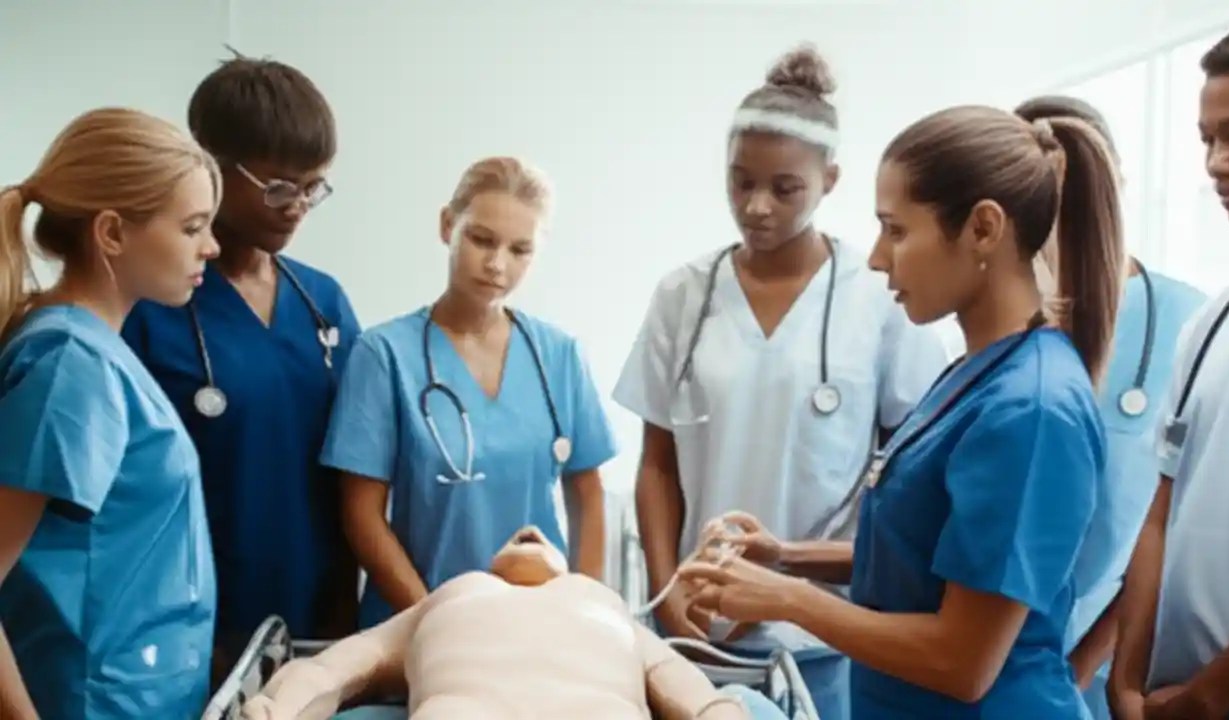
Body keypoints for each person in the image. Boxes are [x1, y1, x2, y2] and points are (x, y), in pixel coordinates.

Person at [679, 104, 1128, 718]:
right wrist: (783, 554)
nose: (876, 258)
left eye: (896, 230)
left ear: (983, 230)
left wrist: (787, 599)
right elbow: (924, 558)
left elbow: (962, 662)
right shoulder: (977, 374)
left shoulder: (1032, 409)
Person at [612, 44, 949, 719]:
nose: (757, 206)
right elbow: (657, 463)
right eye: (740, 182)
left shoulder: (881, 297)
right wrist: (668, 589)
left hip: (827, 631)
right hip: (693, 630)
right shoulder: (684, 294)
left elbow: (909, 479)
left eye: (784, 188)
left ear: (830, 179)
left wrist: (808, 571)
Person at [120, 54, 362, 679]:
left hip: (323, 620)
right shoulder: (153, 309)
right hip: (189, 626)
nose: (298, 205)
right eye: (280, 186)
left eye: (314, 187)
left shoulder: (324, 302)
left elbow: (357, 475)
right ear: (212, 167)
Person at [322, 156, 616, 629]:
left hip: (537, 623)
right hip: (416, 618)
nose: (497, 265)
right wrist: (431, 621)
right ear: (447, 226)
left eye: (520, 250)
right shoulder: (384, 355)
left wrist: (584, 611)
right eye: (481, 240)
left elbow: (588, 492)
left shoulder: (558, 356)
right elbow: (361, 514)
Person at [0, 108, 220, 718]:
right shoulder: (71, 363)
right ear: (112, 233)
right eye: (193, 227)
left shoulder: (98, 352)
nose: (212, 246)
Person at [1013, 95, 1208, 719]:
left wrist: (1082, 667)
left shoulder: (1188, 322)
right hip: (995, 656)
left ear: (1116, 184)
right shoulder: (1004, 323)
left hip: (1107, 673)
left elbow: (1172, 525)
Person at [1109, 9, 1229, 719]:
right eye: (1208, 139)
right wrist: (1125, 678)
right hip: (1171, 699)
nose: (1216, 162)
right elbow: (1161, 511)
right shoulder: (1216, 319)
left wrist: (1210, 698)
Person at [236, 525, 790, 720]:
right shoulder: (446, 599)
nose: (528, 530)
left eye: (544, 535)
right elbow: (332, 670)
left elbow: (691, 692)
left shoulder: (602, 603)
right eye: (515, 535)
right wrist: (274, 710)